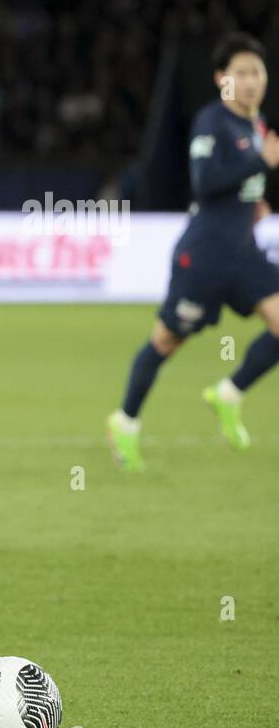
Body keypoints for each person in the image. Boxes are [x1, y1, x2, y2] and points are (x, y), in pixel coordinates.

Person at [107, 33, 279, 471]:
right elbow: (204, 182)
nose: (250, 81)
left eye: (256, 72)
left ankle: (229, 393)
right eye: (240, 73)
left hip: (243, 254)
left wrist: (254, 203)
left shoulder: (256, 126)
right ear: (222, 79)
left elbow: (238, 185)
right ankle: (125, 422)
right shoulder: (211, 122)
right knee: (166, 341)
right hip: (202, 257)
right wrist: (261, 164)